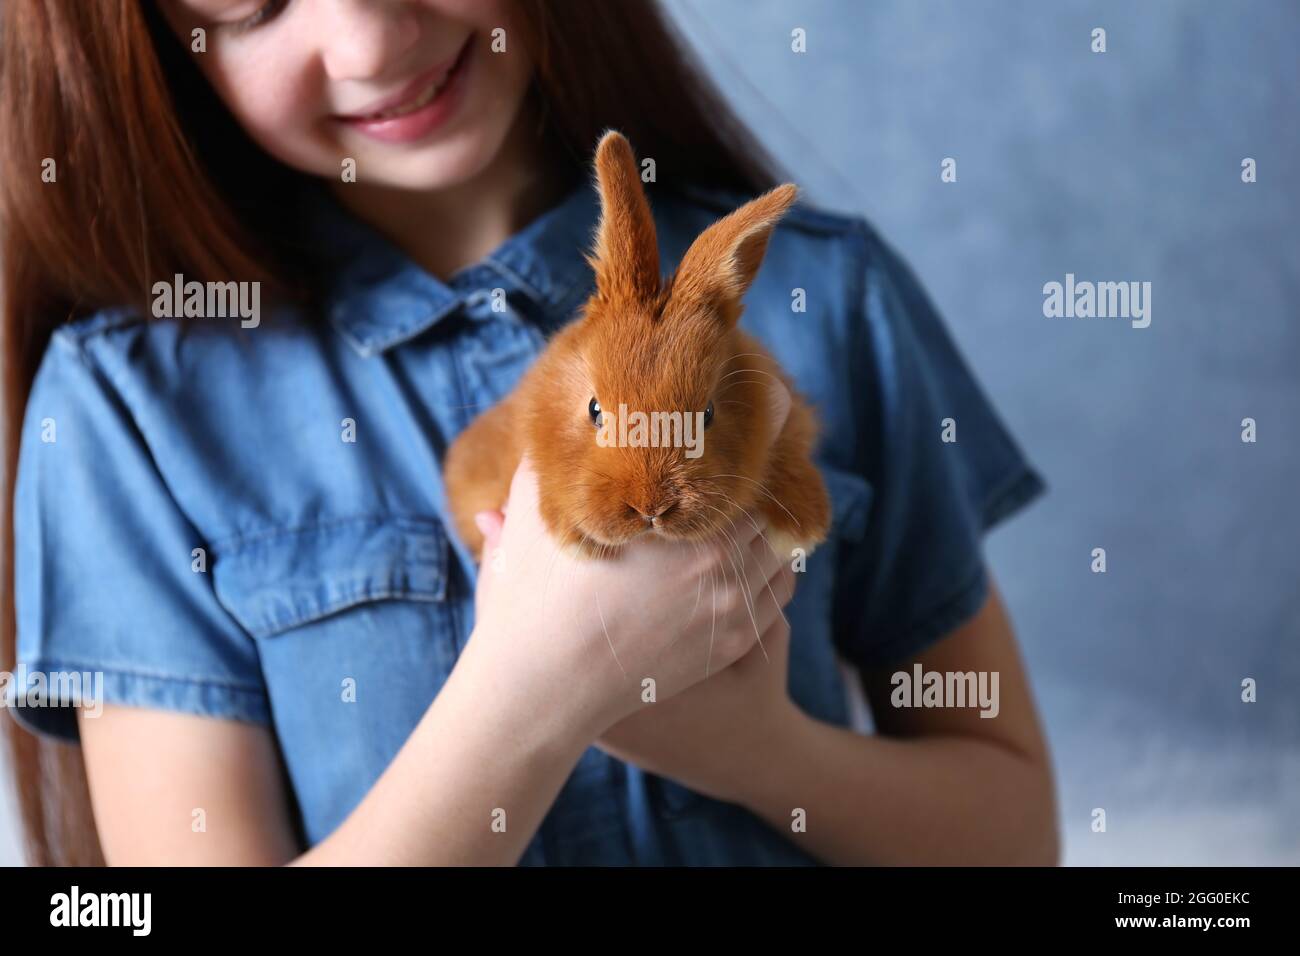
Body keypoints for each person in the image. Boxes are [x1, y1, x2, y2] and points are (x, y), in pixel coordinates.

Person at [0, 0, 1057, 866]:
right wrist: (537, 691)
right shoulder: (131, 411)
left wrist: (760, 751)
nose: (370, 40)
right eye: (253, 7)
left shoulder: (828, 298)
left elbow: (1011, 831)